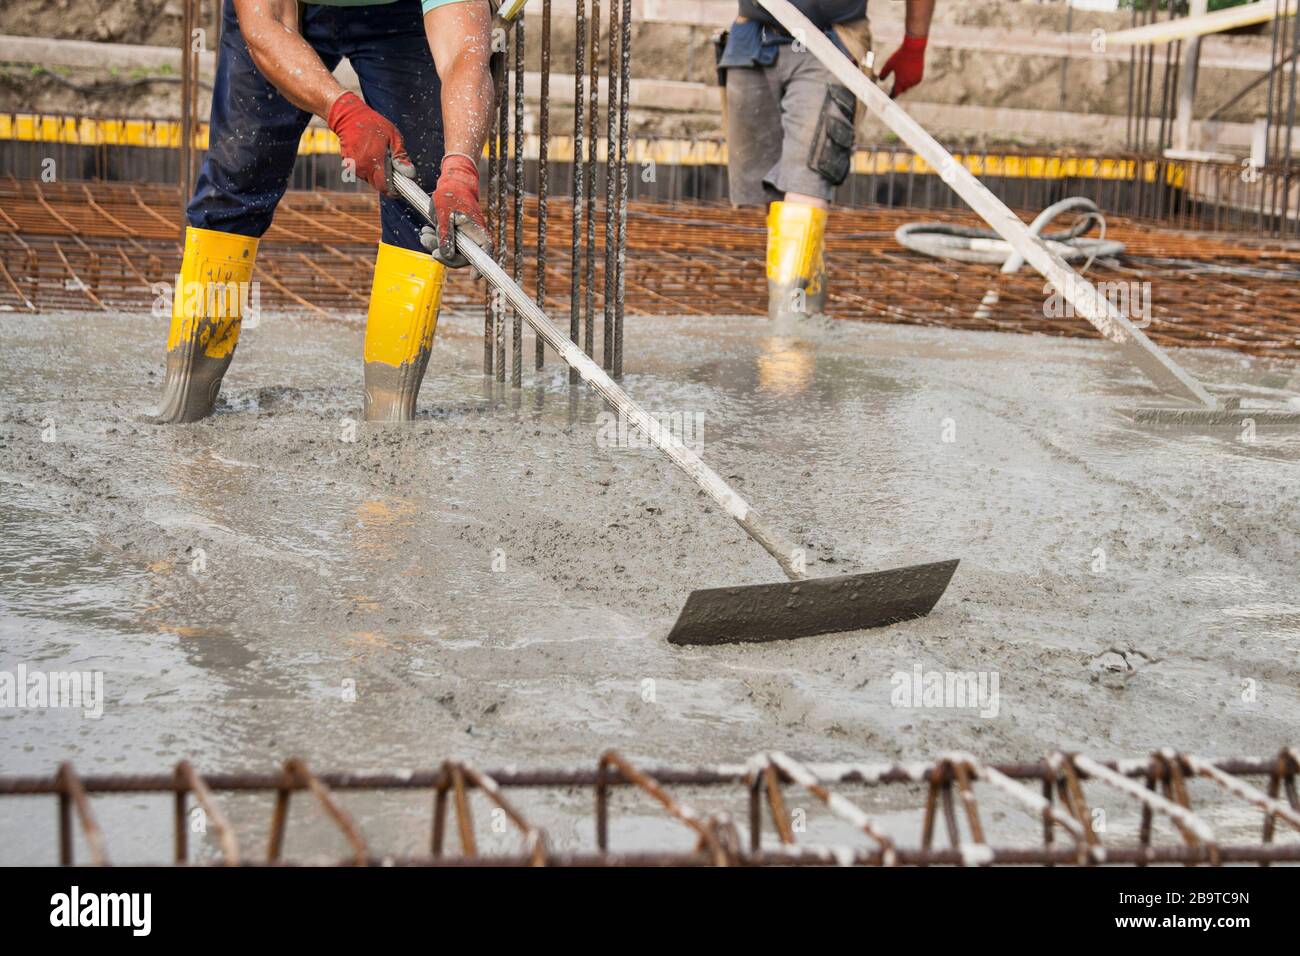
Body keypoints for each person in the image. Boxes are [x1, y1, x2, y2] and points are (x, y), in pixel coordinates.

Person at [158, 0, 509, 424]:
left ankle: (389, 422)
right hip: (288, 16)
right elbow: (265, 26)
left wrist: (460, 168)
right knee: (234, 185)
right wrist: (341, 111)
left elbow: (464, 52)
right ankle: (186, 399)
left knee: (420, 208)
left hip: (402, 18)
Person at [718, 0, 935, 321]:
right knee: (777, 200)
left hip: (830, 42)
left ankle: (786, 338)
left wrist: (915, 44)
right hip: (754, 37)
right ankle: (804, 324)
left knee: (805, 186)